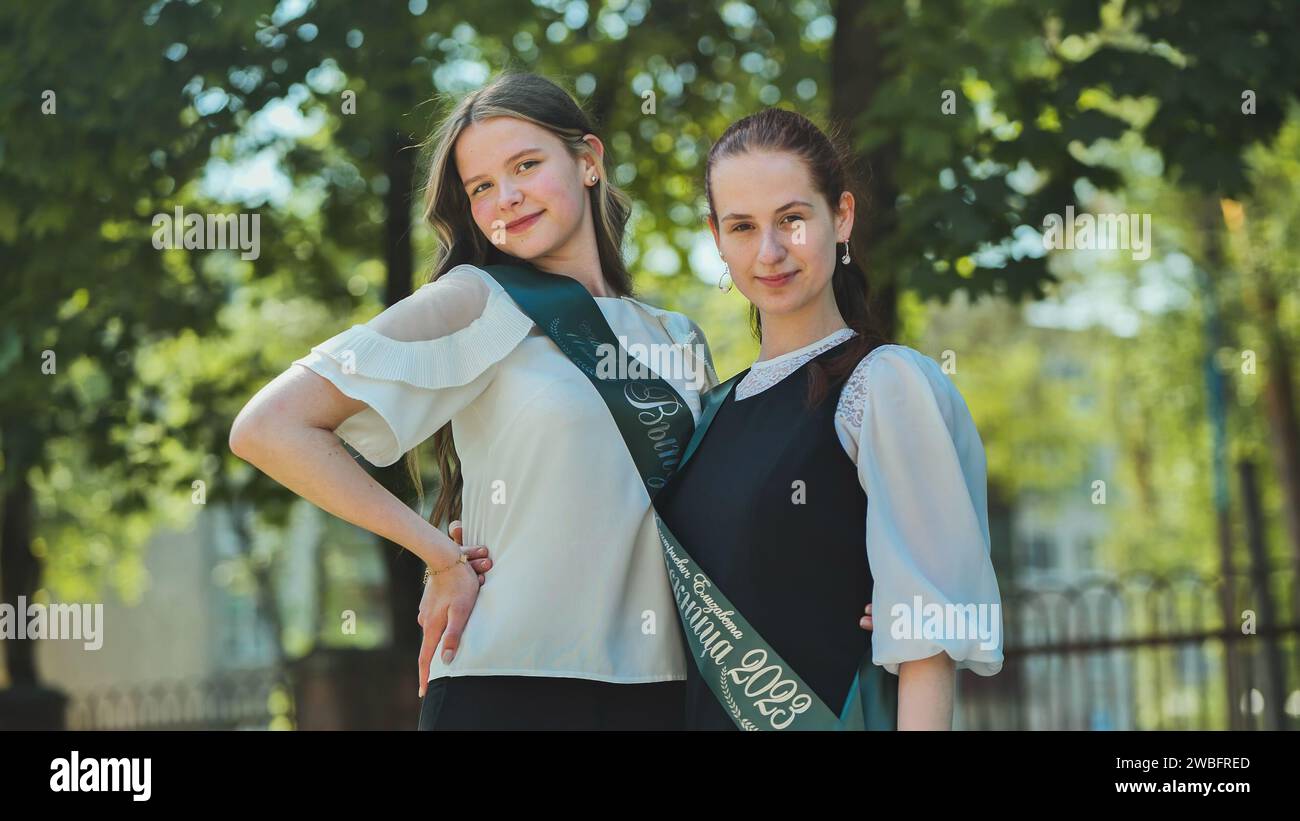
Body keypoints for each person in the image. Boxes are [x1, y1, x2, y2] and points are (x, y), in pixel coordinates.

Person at [230, 73, 715, 730]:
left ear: (589, 161)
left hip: (661, 691)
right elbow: (269, 427)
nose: (506, 198)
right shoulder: (477, 297)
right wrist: (439, 554)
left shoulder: (678, 337)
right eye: (481, 186)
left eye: (526, 165)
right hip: (510, 683)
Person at [652, 108, 1004, 730]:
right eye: (742, 226)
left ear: (840, 216)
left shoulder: (883, 385)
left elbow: (930, 639)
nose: (769, 251)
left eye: (792, 219)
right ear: (717, 238)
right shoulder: (708, 415)